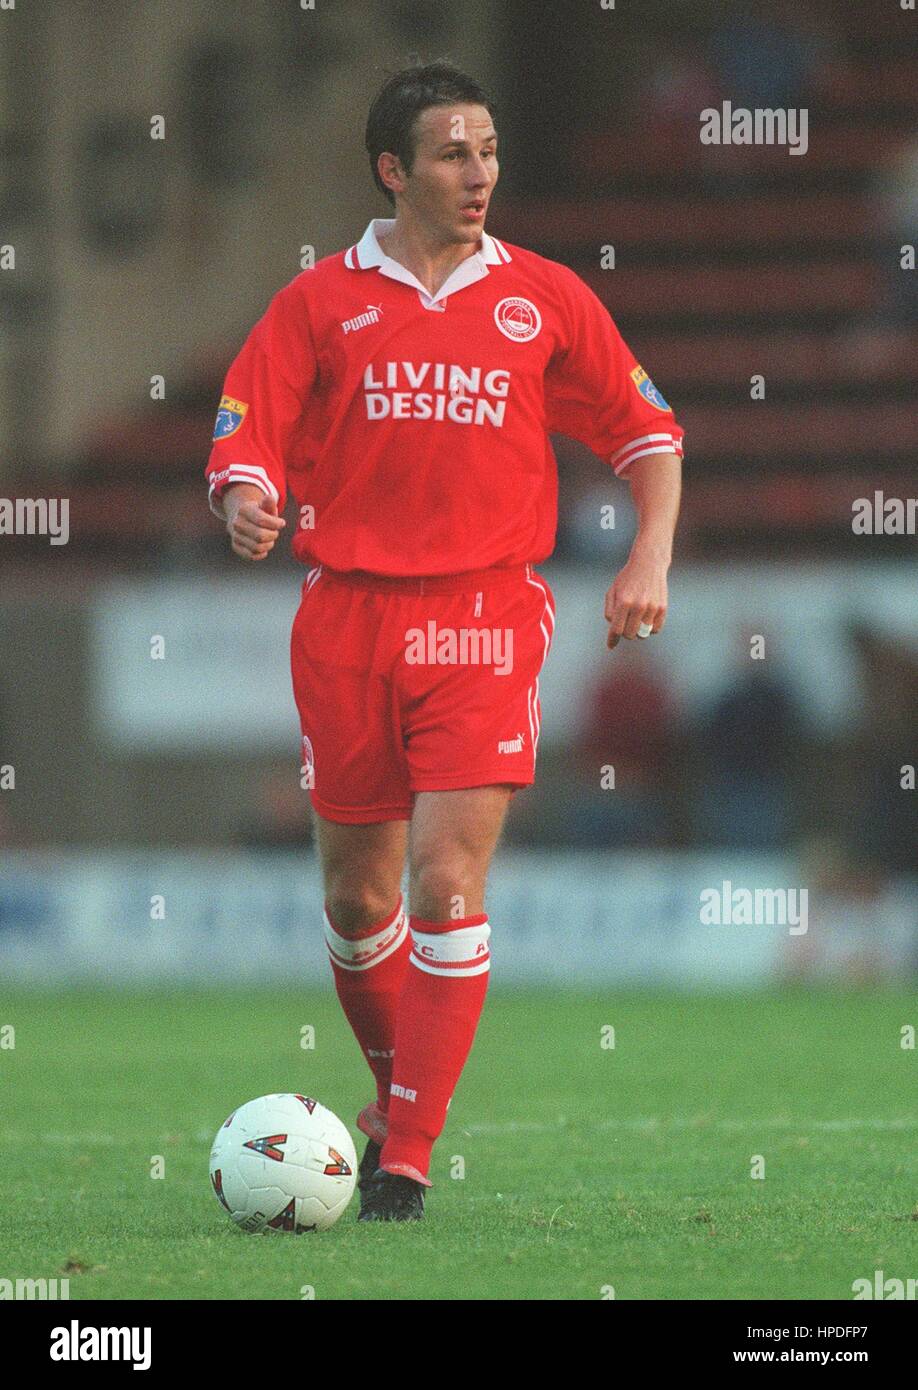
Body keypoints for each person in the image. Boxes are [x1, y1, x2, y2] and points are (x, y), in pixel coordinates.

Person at [204, 61, 683, 1221]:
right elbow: (244, 434)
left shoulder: (545, 297)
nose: (482, 175)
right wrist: (243, 499)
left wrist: (649, 555)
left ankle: (408, 1159)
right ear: (394, 171)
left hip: (486, 611)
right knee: (363, 902)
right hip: (347, 616)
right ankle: (391, 1100)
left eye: (491, 152)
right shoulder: (320, 301)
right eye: (456, 155)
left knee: (445, 875)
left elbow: (647, 431)